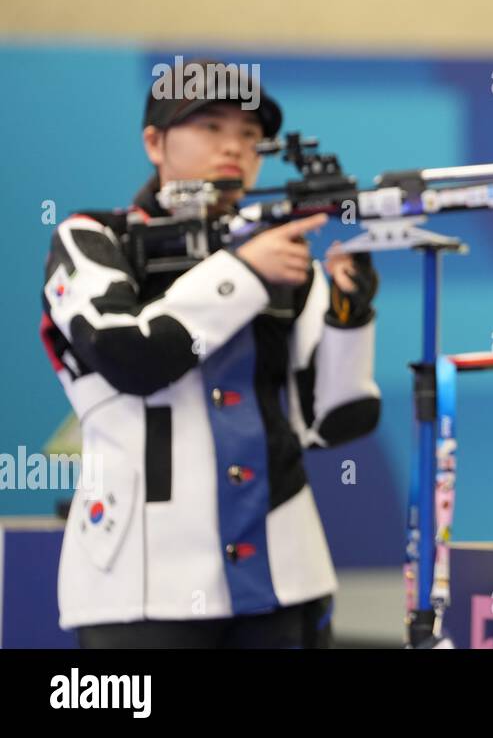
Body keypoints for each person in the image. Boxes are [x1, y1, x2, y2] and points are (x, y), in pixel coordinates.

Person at [39, 59, 382, 648]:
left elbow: (331, 423)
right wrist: (243, 272)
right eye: (211, 126)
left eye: (250, 135)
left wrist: (350, 315)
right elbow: (128, 356)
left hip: (284, 574)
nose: (235, 147)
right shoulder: (94, 238)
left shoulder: (281, 252)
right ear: (154, 141)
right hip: (137, 584)